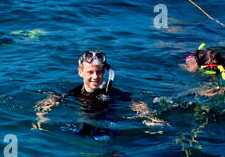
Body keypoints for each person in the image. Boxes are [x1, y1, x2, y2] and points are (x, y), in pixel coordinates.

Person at [34, 50, 164, 130]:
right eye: (90, 72)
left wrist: (150, 117)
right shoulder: (74, 93)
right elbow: (53, 99)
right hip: (82, 126)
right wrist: (41, 117)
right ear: (80, 72)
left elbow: (136, 103)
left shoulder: (112, 93)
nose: (95, 76)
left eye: (99, 72)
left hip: (110, 125)